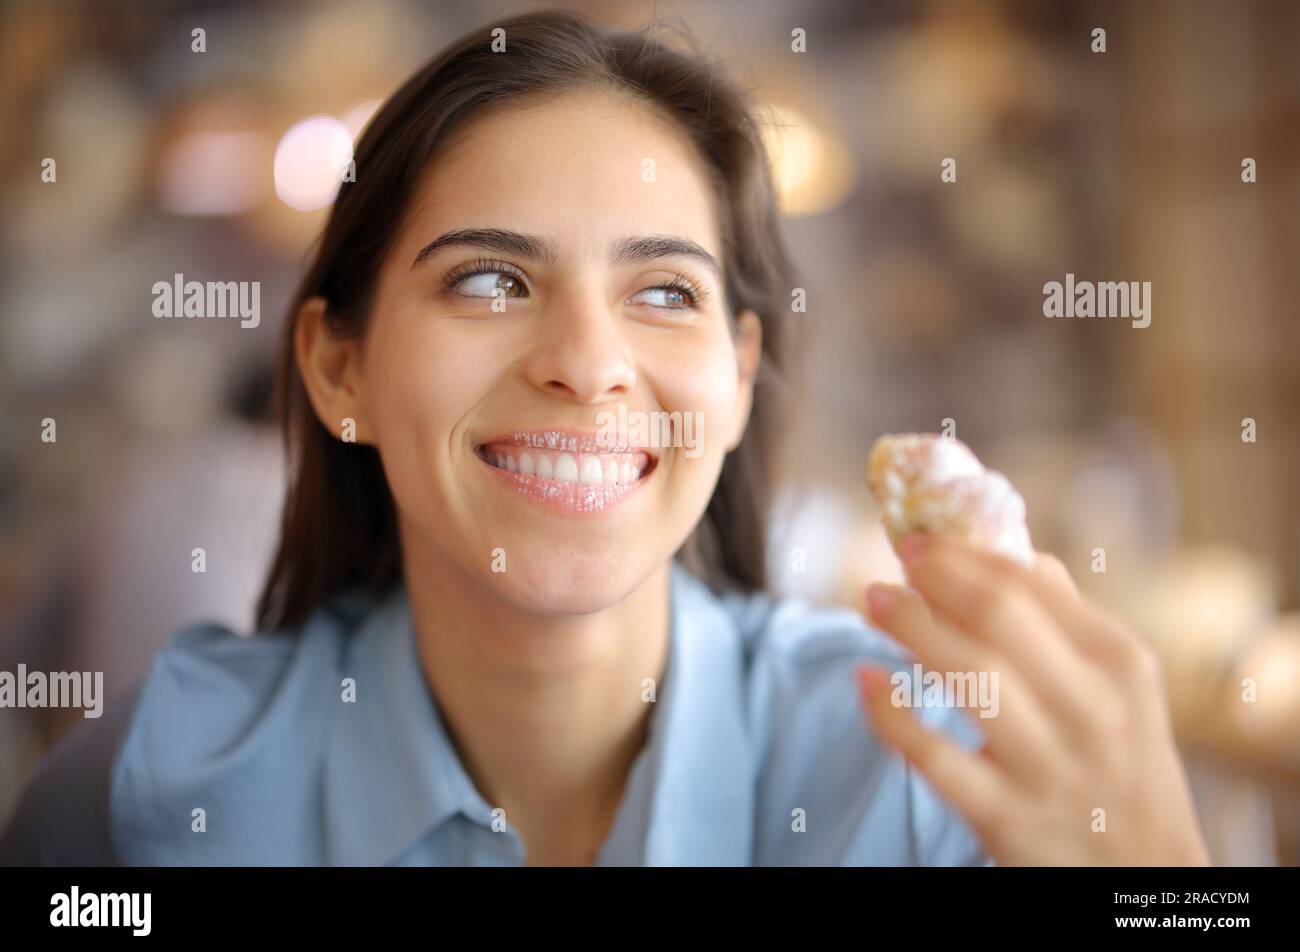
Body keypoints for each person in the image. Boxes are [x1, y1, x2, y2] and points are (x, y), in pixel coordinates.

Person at [0, 9, 1209, 866]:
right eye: (485, 280)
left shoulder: (930, 775)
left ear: (735, 380)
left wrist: (1169, 888)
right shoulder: (150, 800)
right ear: (337, 366)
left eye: (666, 290)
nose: (585, 360)